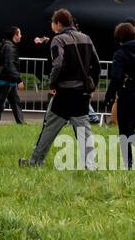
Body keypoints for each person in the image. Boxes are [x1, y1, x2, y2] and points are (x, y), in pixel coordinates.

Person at [27, 9, 101, 166]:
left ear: (58, 23)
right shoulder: (86, 38)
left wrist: (52, 83)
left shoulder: (58, 40)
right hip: (82, 93)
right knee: (84, 131)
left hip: (64, 93)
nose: (52, 26)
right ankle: (90, 165)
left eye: (53, 23)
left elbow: (58, 63)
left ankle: (35, 160)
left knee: (49, 128)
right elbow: (96, 64)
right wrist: (92, 85)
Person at [102, 22, 135, 168]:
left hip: (128, 95)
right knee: (129, 129)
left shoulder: (121, 54)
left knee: (124, 131)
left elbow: (116, 78)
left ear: (120, 39)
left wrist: (109, 96)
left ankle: (131, 163)